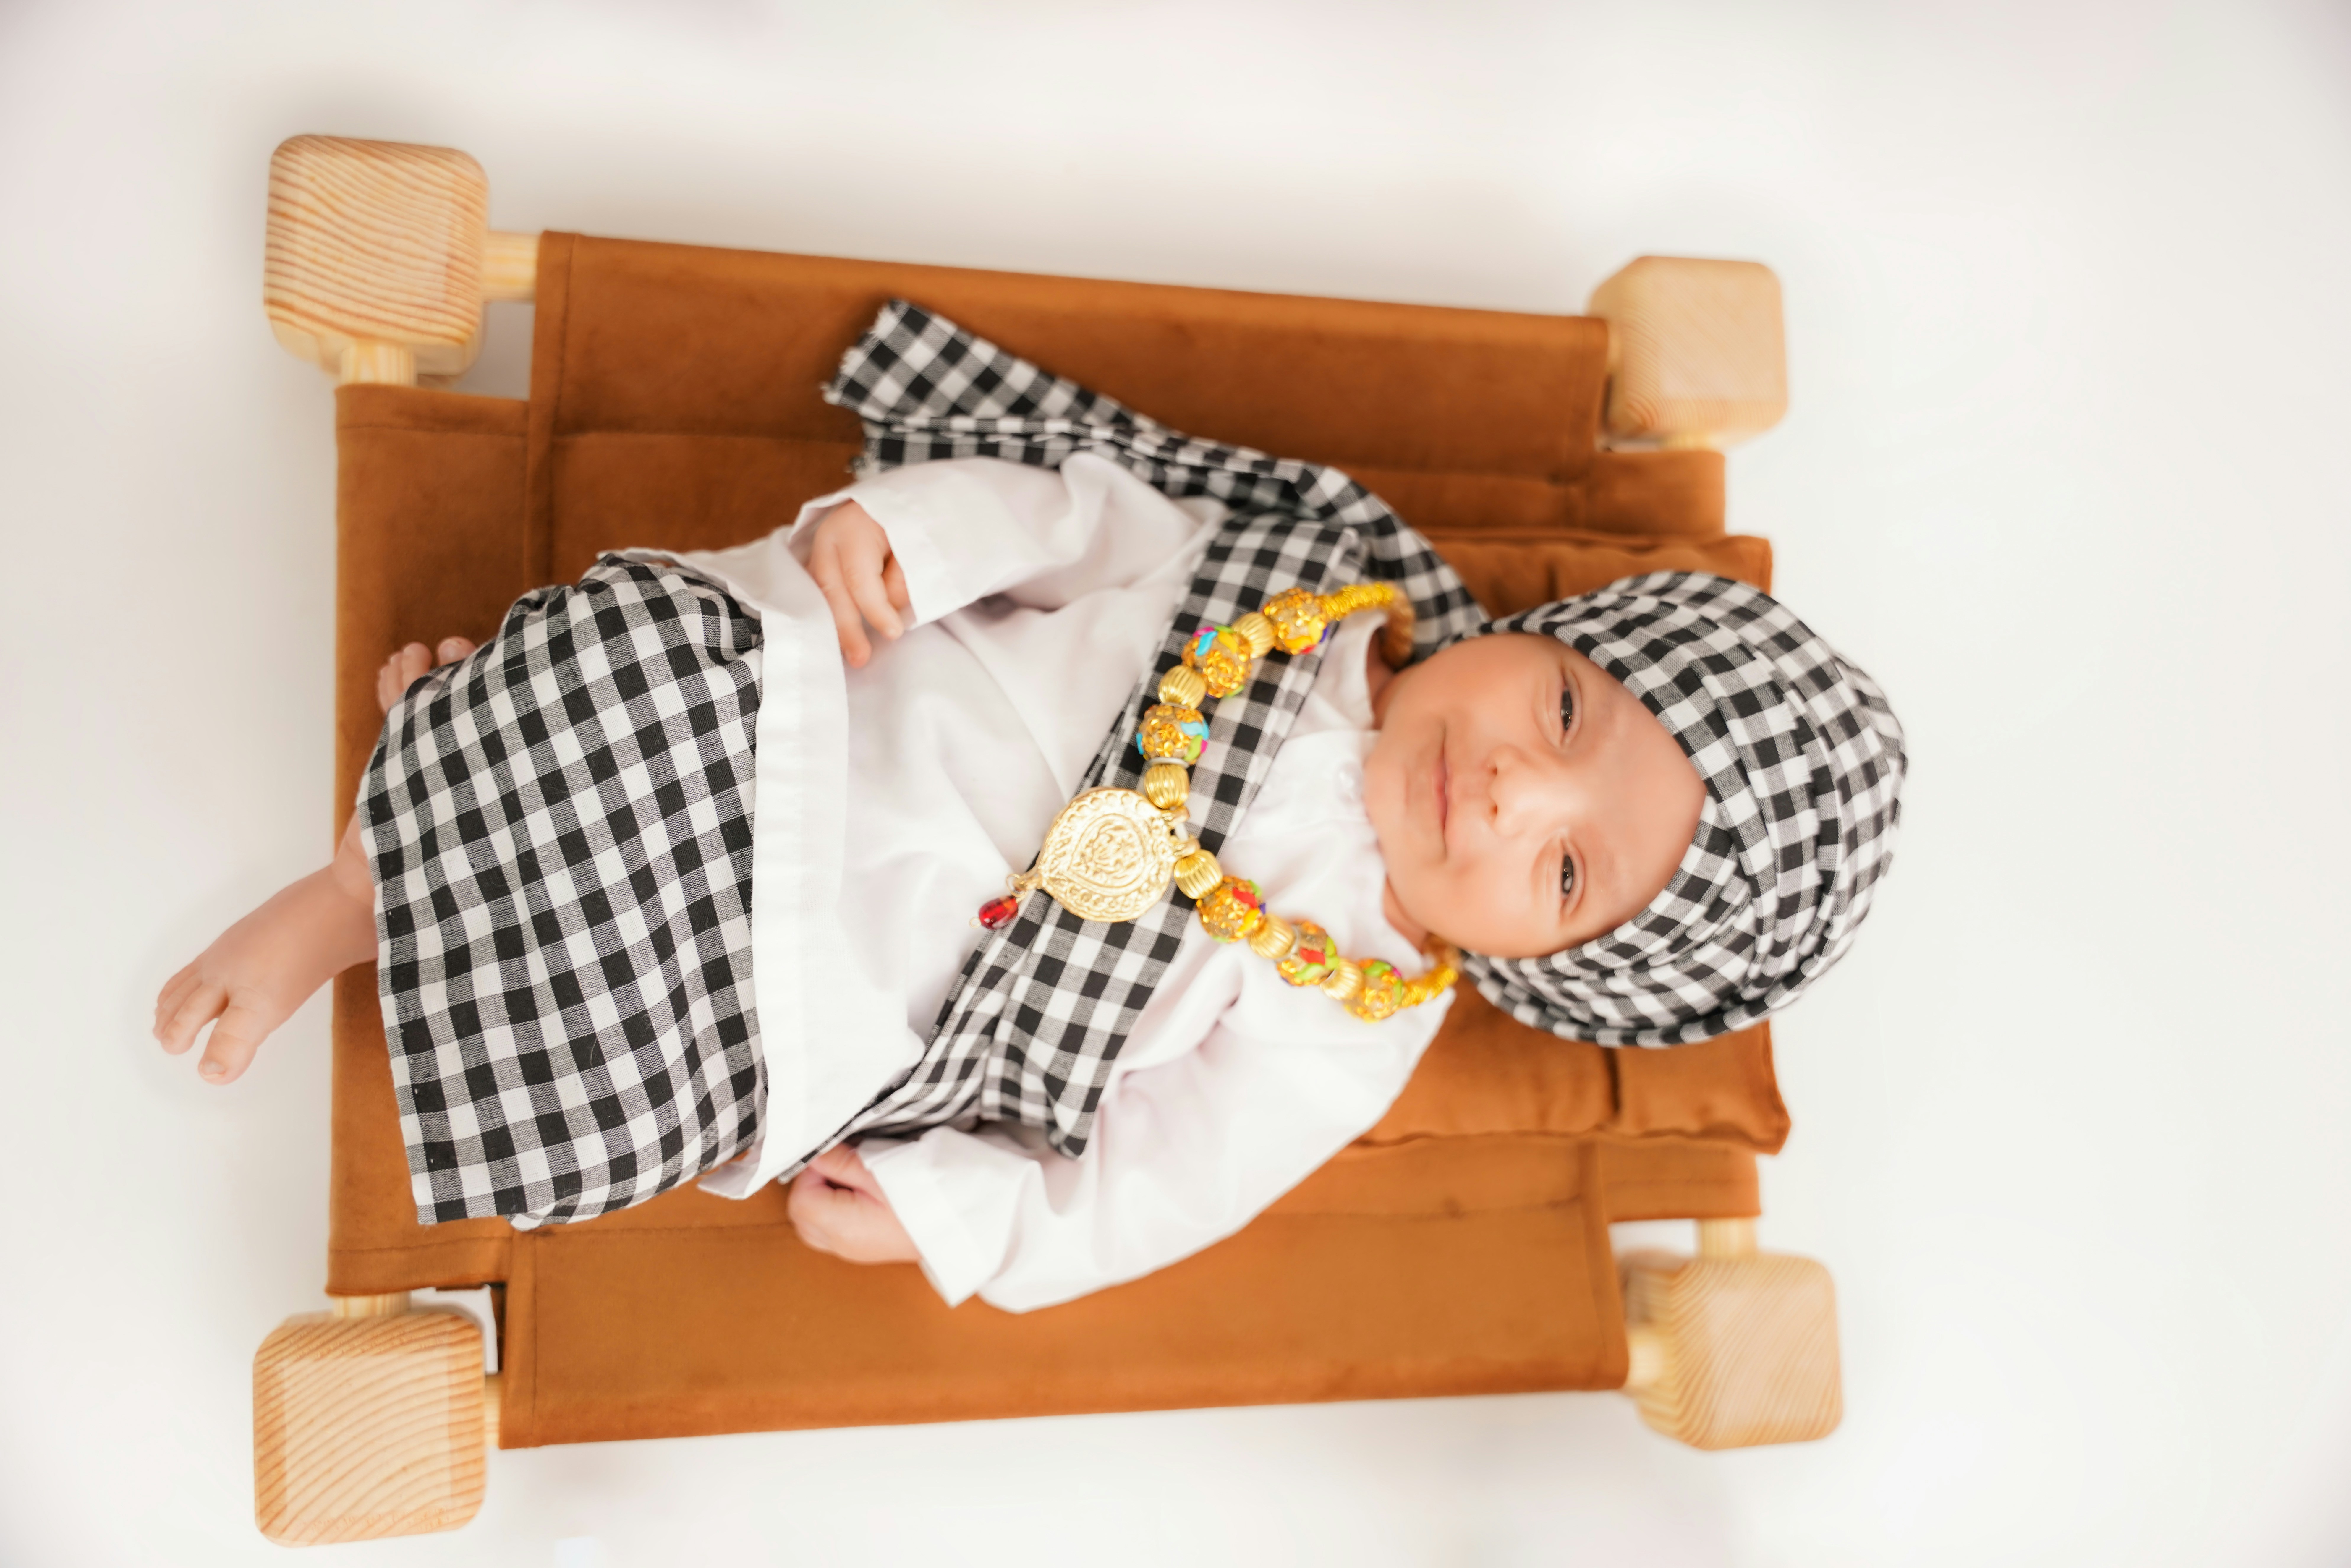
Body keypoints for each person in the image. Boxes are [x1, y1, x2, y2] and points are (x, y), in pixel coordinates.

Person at [155, 310, 1905, 1314]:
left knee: (652, 1102)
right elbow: (1075, 518)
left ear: (1555, 973)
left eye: (1569, 863)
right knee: (643, 662)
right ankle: (364, 886)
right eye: (1572, 709)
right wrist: (920, 545)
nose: (1516, 783)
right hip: (806, 727)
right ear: (1547, 635)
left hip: (855, 994)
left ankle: (465, 852)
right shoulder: (1299, 571)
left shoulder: (1352, 1016)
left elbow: (1158, 1185)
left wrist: (965, 1211)